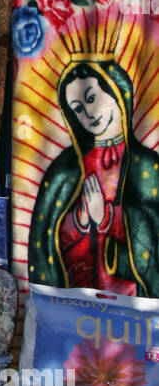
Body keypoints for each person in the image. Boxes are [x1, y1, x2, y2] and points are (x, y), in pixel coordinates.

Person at [28, 57, 159, 295]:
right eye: (77, 108)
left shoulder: (148, 166)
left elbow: (154, 227)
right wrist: (79, 221)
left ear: (117, 93)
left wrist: (109, 217)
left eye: (91, 98)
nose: (89, 112)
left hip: (132, 307)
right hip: (78, 303)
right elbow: (46, 238)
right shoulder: (64, 169)